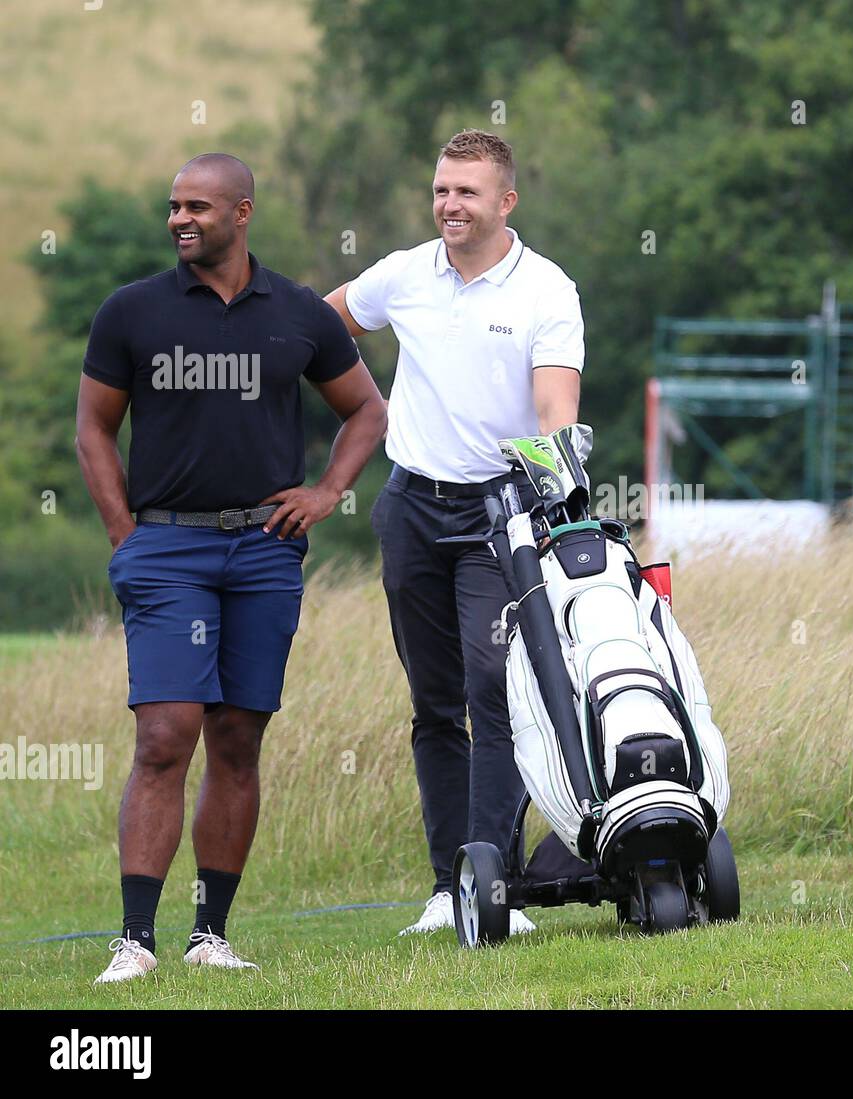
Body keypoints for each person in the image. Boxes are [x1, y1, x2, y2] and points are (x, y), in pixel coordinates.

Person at [77, 153, 387, 982]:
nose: (181, 219)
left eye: (199, 207)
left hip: (263, 550)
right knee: (164, 734)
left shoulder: (298, 314)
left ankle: (209, 933)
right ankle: (134, 940)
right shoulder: (130, 312)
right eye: (173, 206)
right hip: (167, 548)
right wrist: (124, 534)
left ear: (241, 212)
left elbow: (366, 410)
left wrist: (326, 491)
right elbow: (94, 430)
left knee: (239, 738)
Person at [324, 129, 584, 936]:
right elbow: (318, 329)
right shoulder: (404, 274)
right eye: (441, 190)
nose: (449, 205)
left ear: (506, 201)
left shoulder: (546, 290)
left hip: (499, 515)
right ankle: (448, 888)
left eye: (466, 192)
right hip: (410, 507)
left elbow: (555, 409)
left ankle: (492, 880)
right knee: (434, 702)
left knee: (492, 687)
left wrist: (556, 490)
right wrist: (365, 407)